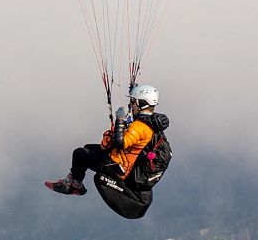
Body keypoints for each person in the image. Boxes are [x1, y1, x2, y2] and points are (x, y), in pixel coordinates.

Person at [45, 84, 170, 220]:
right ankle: (75, 181)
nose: (131, 105)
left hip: (119, 168)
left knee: (80, 154)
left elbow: (120, 143)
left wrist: (120, 121)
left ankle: (74, 185)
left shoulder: (140, 127)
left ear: (141, 103)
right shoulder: (151, 123)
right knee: (88, 148)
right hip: (125, 159)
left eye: (133, 102)